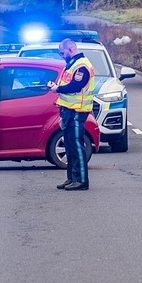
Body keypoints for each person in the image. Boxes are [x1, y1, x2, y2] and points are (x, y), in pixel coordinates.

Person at [48, 38, 95, 191]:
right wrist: (56, 86)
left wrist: (58, 89)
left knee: (76, 145)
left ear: (71, 48)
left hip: (78, 110)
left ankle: (82, 180)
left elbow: (76, 86)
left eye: (63, 52)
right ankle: (71, 178)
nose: (62, 55)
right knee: (69, 146)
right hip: (68, 109)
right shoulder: (71, 64)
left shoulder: (82, 65)